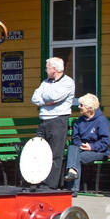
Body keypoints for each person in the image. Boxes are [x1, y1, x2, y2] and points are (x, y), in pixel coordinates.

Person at [31, 56, 75, 189]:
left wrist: (44, 98)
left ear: (54, 69)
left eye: (47, 68)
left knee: (55, 154)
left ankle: (50, 185)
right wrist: (46, 101)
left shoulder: (68, 82)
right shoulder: (45, 82)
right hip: (44, 120)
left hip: (58, 120)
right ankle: (37, 181)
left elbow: (54, 97)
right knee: (38, 151)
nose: (46, 70)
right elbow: (34, 97)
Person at [64, 94, 110, 195]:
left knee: (76, 157)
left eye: (81, 105)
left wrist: (91, 147)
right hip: (82, 148)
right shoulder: (79, 121)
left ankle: (72, 188)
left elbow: (105, 141)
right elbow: (75, 138)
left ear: (89, 108)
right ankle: (72, 177)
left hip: (100, 151)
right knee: (73, 147)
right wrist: (81, 145)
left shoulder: (102, 121)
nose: (79, 107)